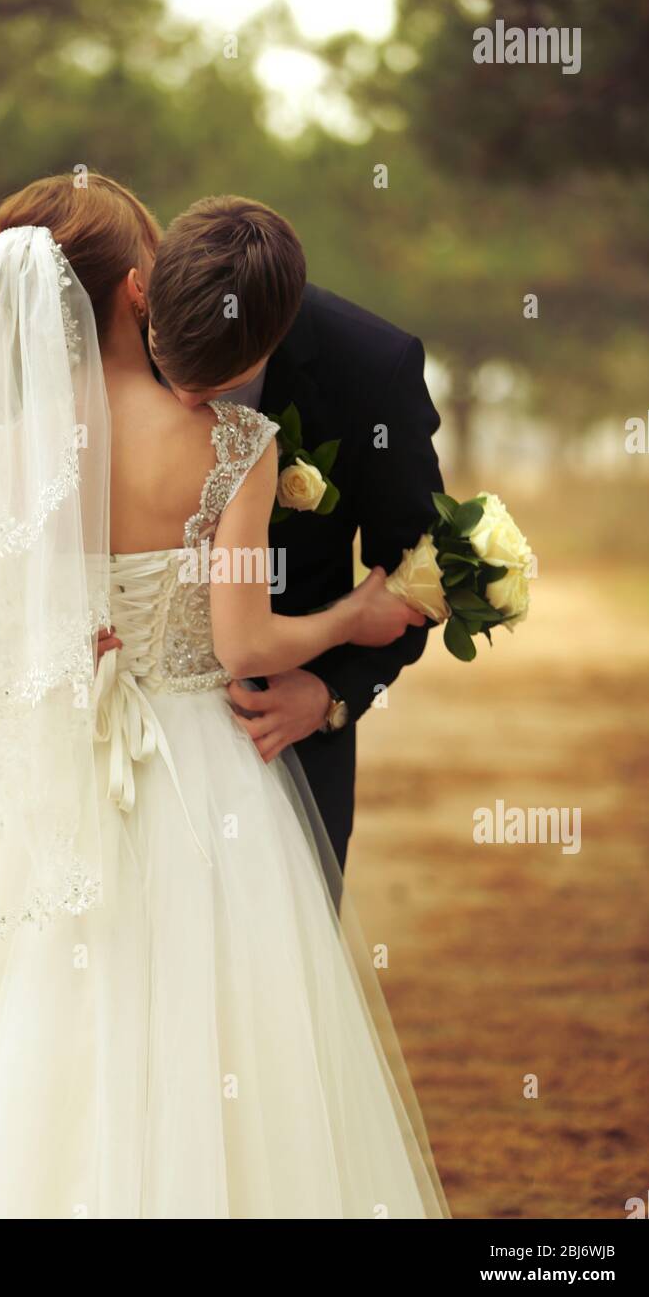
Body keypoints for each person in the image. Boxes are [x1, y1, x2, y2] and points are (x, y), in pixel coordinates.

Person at [0, 173, 449, 1219]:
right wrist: (348, 620)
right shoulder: (230, 448)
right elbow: (242, 637)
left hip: (44, 766)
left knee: (17, 1022)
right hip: (204, 766)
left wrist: (72, 645)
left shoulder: (9, 454)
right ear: (139, 293)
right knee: (220, 1025)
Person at [147, 195, 444, 869]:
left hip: (291, 745)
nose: (186, 404)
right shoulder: (120, 326)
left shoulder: (372, 369)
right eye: (166, 367)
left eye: (216, 384)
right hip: (127, 735)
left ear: (277, 336)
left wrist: (332, 695)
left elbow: (421, 564)